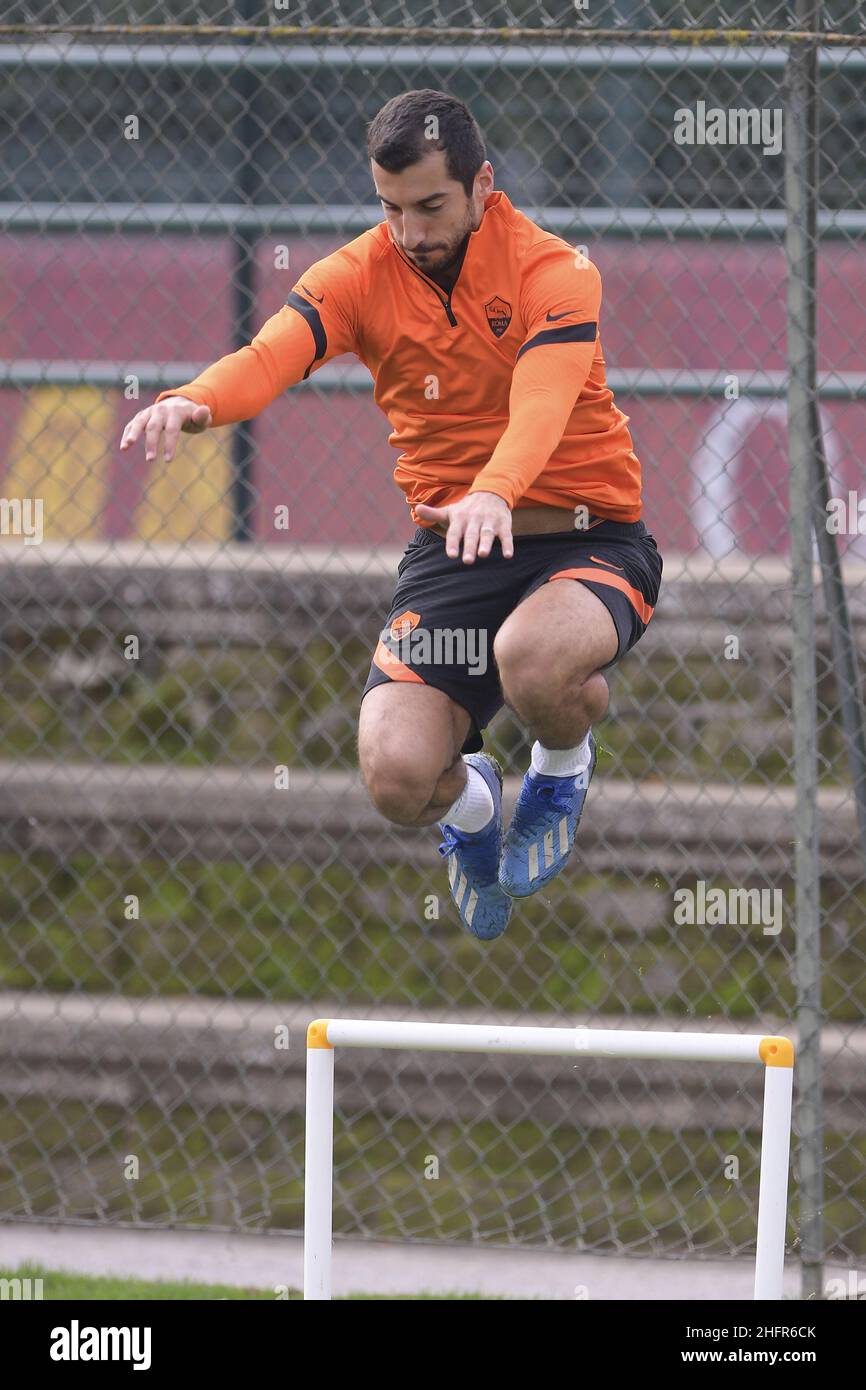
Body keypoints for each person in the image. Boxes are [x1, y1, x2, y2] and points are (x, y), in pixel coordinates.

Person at [121, 89, 663, 942]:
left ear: (483, 184)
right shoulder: (356, 274)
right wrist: (194, 400)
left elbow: (543, 402)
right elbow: (270, 358)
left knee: (532, 659)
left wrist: (497, 487)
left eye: (431, 206)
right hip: (454, 551)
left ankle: (561, 764)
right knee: (398, 775)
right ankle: (479, 811)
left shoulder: (555, 270)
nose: (410, 230)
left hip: (587, 542)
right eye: (391, 208)